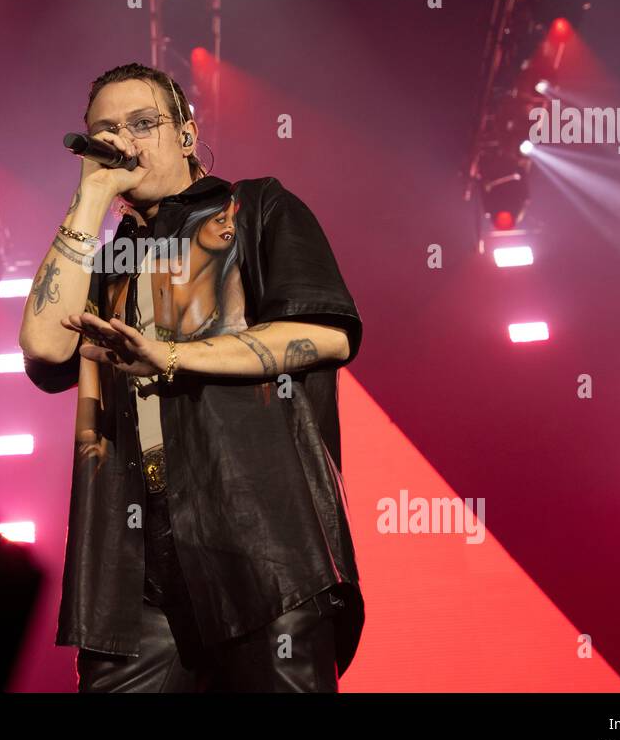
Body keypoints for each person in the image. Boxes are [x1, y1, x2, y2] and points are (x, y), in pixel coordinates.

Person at [19, 61, 366, 692]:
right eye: (105, 130)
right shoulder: (104, 264)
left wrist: (173, 356)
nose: (122, 140)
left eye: (142, 123)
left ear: (186, 133)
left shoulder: (256, 207)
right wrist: (91, 197)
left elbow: (326, 334)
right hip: (134, 562)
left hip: (259, 541)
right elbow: (44, 347)